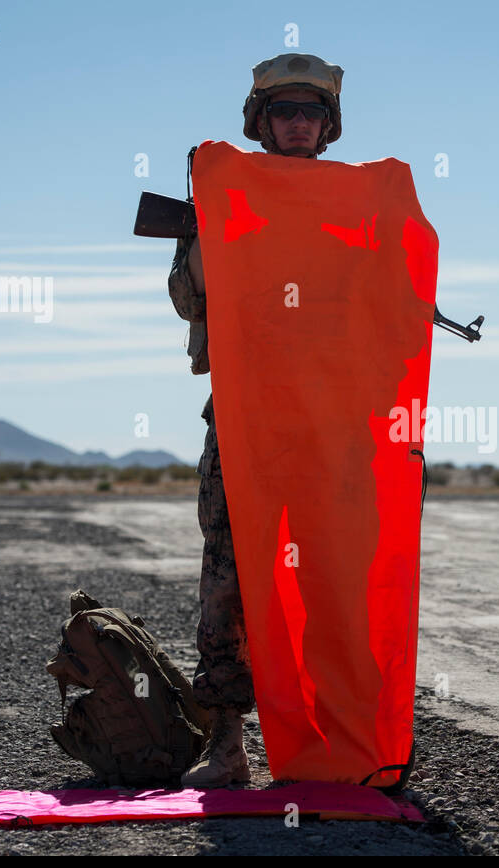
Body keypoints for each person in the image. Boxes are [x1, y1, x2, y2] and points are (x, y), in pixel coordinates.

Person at [167, 53, 344, 788]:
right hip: (242, 414)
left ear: (328, 126)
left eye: (311, 113)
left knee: (330, 578)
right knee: (229, 579)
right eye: (284, 112)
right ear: (260, 121)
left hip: (329, 420)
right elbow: (188, 297)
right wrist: (215, 219)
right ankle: (227, 746)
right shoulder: (227, 195)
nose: (298, 124)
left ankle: (335, 745)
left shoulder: (352, 202)